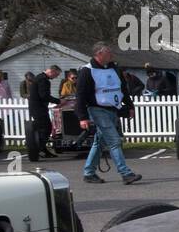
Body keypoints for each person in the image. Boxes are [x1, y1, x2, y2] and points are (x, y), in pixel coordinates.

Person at [75, 43, 141, 184]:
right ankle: (125, 173)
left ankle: (89, 172)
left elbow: (123, 89)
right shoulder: (87, 71)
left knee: (100, 143)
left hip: (113, 110)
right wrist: (83, 117)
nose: (111, 55)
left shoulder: (114, 69)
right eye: (108, 52)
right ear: (99, 54)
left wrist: (130, 106)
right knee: (114, 141)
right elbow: (80, 96)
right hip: (97, 109)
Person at [27, 65, 61, 157]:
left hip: (36, 107)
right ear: (52, 71)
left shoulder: (39, 77)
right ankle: (39, 149)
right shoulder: (43, 80)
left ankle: (43, 149)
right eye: (56, 75)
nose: (56, 77)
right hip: (39, 108)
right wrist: (59, 101)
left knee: (43, 129)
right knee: (46, 128)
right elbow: (44, 96)